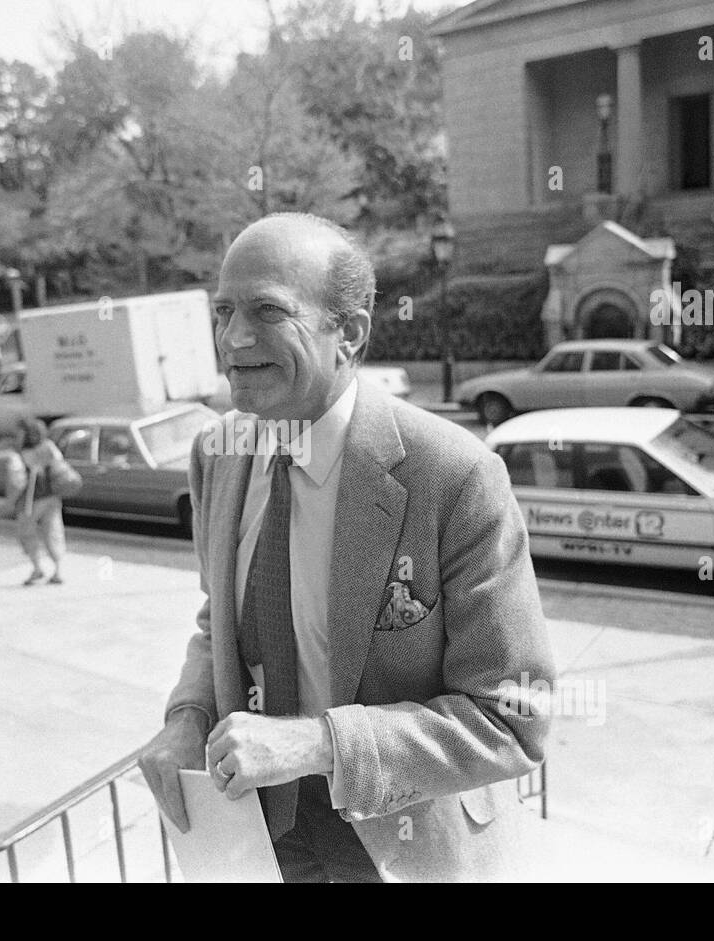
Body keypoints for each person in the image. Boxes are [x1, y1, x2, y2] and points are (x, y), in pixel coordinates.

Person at [138, 213, 554, 882]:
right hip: (257, 838)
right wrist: (187, 715)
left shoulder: (455, 475)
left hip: (406, 846)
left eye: (267, 310)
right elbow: (217, 619)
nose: (234, 338)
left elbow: (511, 718)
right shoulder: (216, 452)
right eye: (223, 311)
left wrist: (317, 743)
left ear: (350, 333)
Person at [12, 419, 66, 586]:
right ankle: (58, 570)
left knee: (27, 532)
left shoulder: (24, 453)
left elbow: (19, 480)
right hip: (52, 497)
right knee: (54, 532)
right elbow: (59, 464)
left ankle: (37, 568)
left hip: (31, 500)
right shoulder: (49, 446)